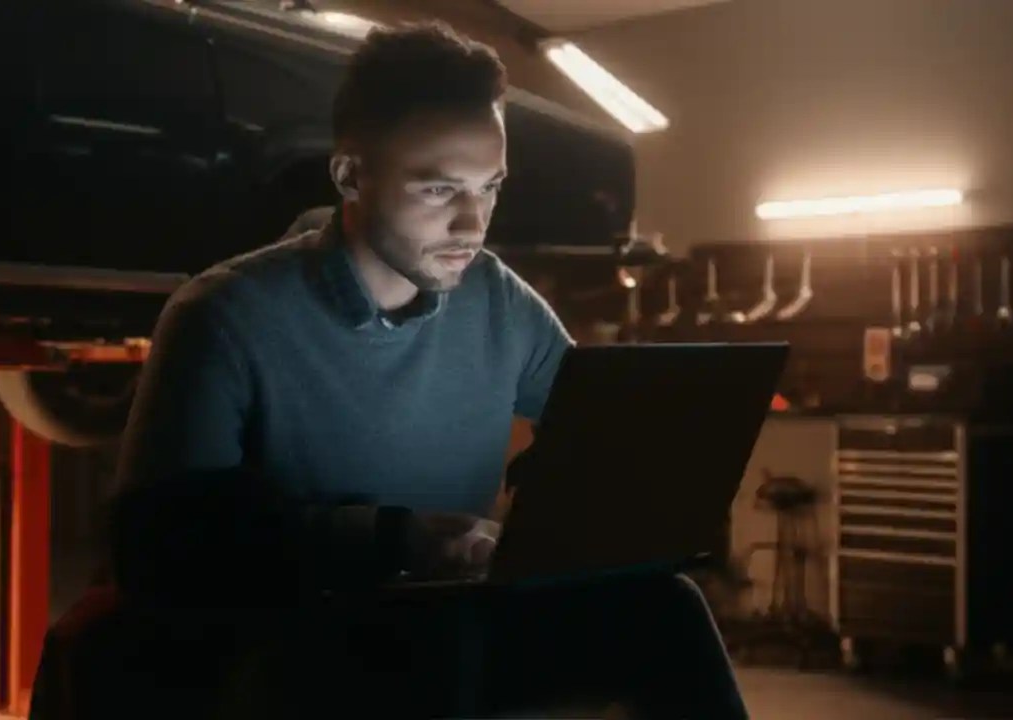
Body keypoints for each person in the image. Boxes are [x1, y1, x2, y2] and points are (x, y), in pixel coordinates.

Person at [109, 21, 749, 719]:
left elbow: (590, 429)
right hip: (293, 633)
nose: (473, 225)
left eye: (490, 188)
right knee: (436, 645)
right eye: (440, 191)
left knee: (666, 610)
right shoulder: (224, 315)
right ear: (350, 174)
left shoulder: (497, 299)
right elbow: (159, 548)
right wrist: (392, 538)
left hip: (459, 614)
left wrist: (580, 499)